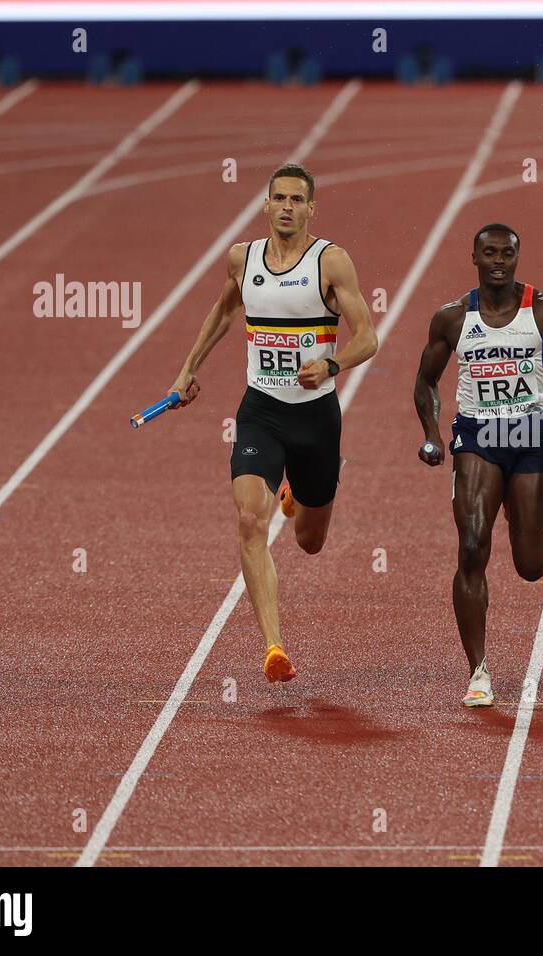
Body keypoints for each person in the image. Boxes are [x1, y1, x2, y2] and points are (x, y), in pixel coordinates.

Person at [167, 162, 377, 681]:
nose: (286, 207)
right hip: (260, 411)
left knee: (309, 540)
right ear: (265, 206)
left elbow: (367, 337)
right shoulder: (243, 259)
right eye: (277, 198)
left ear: (311, 208)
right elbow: (222, 312)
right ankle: (274, 647)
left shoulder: (331, 262)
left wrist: (331, 364)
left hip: (316, 420)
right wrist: (187, 370)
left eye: (296, 200)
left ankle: (298, 495)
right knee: (247, 520)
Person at [413, 224, 543, 707]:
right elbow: (425, 381)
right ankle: (478, 671)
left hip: (531, 438)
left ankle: (518, 502)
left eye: (507, 253)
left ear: (517, 256)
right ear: (474, 257)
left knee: (531, 567)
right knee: (471, 545)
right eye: (489, 253)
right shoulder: (451, 319)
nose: (499, 261)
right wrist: (430, 434)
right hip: (478, 438)